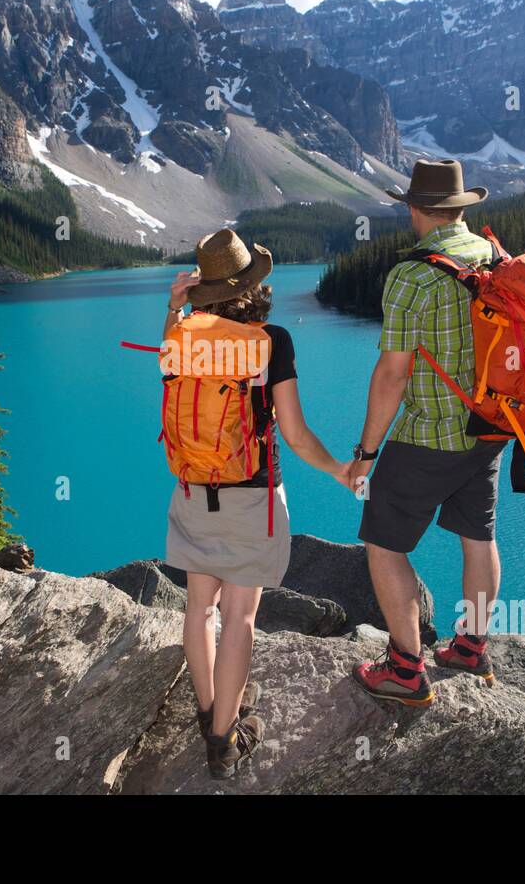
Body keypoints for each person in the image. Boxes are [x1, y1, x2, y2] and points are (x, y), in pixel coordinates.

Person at [163, 228, 346, 778]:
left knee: (199, 608)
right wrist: (339, 468)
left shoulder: (183, 335)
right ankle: (224, 737)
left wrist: (174, 307)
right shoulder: (272, 342)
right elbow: (293, 433)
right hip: (253, 493)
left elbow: (171, 359)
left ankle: (207, 711)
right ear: (252, 285)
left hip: (193, 487)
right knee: (240, 616)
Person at [344, 159, 505, 705]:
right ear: (460, 208)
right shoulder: (493, 255)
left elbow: (392, 373)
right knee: (478, 537)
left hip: (428, 436)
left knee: (383, 544)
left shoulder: (411, 276)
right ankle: (472, 648)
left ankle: (406, 670)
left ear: (413, 208)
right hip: (489, 428)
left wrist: (366, 452)